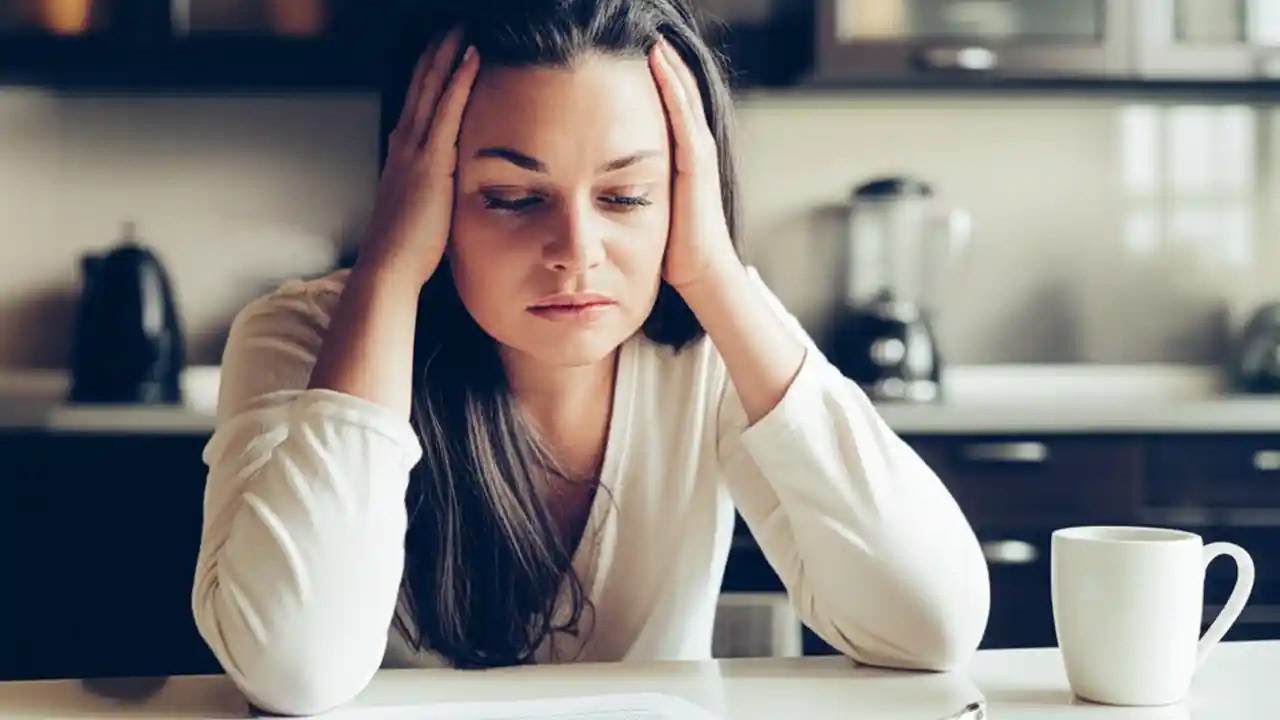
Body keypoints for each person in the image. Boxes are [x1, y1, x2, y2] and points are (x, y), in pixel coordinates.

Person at [191, 0, 990, 715]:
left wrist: (714, 272)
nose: (576, 252)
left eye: (626, 197)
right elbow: (293, 670)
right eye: (513, 197)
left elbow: (931, 626)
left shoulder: (710, 349)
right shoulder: (298, 340)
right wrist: (392, 271)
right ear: (420, 192)